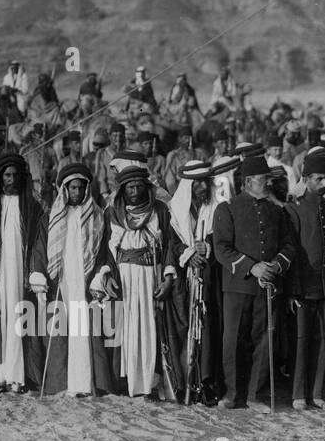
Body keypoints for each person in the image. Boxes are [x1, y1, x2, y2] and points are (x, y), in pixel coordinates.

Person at [212, 154, 297, 412]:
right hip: (238, 287)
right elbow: (221, 248)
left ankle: (256, 395)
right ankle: (232, 394)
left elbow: (290, 246)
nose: (268, 184)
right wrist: (253, 267)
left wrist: (275, 266)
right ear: (248, 181)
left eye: (269, 179)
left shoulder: (277, 211)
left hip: (268, 287)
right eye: (263, 179)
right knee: (233, 340)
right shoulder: (227, 208)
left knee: (265, 340)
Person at [99, 164, 185, 401]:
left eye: (139, 185)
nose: (135, 190)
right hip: (124, 276)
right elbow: (105, 250)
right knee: (126, 330)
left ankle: (150, 383)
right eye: (130, 186)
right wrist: (106, 275)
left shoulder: (160, 210)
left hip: (151, 275)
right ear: (123, 189)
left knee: (149, 328)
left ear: (147, 187)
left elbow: (168, 245)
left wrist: (168, 277)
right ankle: (127, 383)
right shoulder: (113, 213)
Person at [40, 163, 113, 397]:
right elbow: (42, 248)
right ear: (64, 189)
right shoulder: (52, 216)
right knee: (61, 329)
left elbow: (103, 250)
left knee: (85, 330)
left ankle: (85, 383)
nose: (77, 192)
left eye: (81, 188)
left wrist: (99, 274)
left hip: (85, 277)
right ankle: (61, 383)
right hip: (62, 280)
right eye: (72, 188)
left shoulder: (97, 216)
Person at [0, 154, 47, 392]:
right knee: (0, 320)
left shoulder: (31, 205)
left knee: (19, 318)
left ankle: (18, 377)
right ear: (0, 178)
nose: (10, 180)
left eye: (14, 175)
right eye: (6, 175)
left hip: (22, 271)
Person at [285, 153, 325, 410]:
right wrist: (293, 290)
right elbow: (292, 251)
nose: (324, 183)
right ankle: (298, 394)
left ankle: (317, 393)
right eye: (319, 179)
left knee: (324, 338)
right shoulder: (294, 209)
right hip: (302, 287)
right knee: (301, 339)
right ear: (306, 179)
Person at [168, 160, 223, 404]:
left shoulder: (217, 208)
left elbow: (221, 237)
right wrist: (189, 254)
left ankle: (207, 383)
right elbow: (172, 243)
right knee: (185, 330)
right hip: (184, 280)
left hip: (209, 277)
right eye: (197, 182)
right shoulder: (175, 210)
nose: (202, 186)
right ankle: (185, 383)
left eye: (205, 181)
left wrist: (207, 245)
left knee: (208, 330)